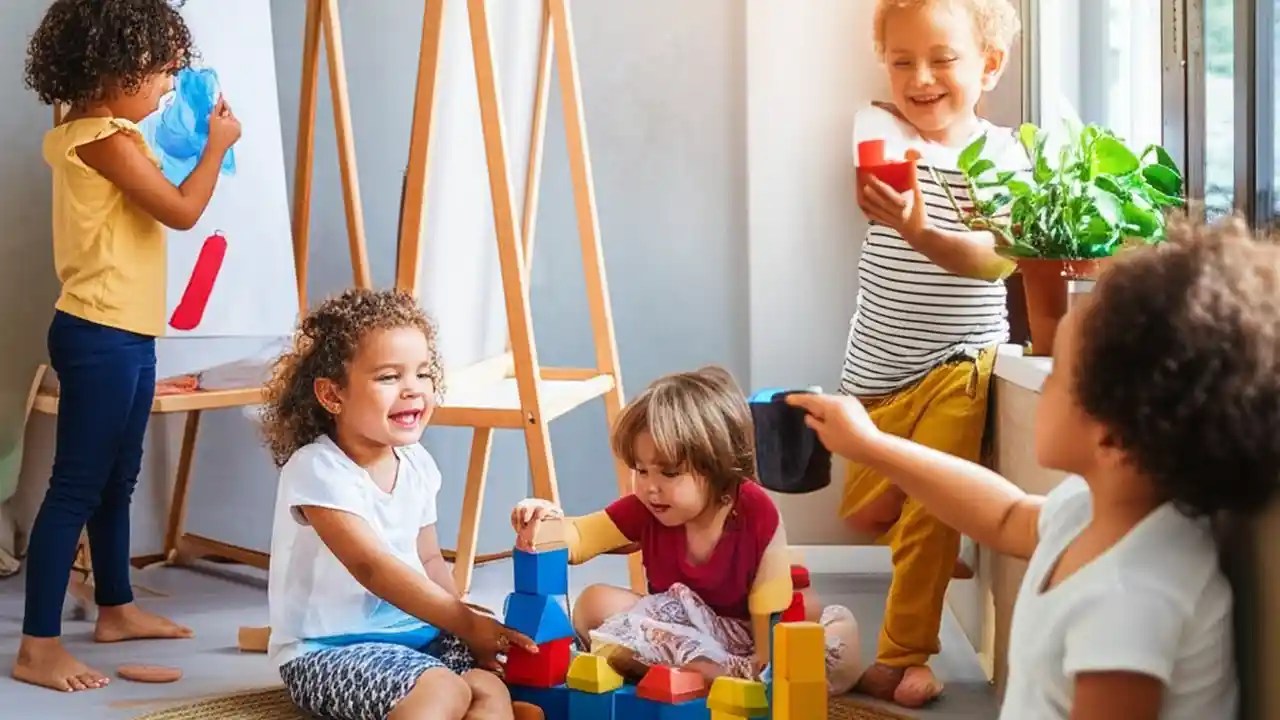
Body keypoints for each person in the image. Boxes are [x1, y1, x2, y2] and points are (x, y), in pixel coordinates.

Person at [791, 217, 1280, 719]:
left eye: (1058, 378)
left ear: (1111, 437)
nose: (1044, 388)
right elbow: (1004, 515)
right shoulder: (1100, 512)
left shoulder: (1131, 600)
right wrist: (872, 446)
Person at [15, 0, 241, 693]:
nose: (166, 88)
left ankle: (115, 608)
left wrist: (188, 128)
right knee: (77, 489)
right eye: (158, 75)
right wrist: (216, 147)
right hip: (101, 332)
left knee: (117, 481)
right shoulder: (105, 138)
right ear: (112, 70)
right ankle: (37, 647)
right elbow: (180, 211)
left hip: (123, 330)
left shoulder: (94, 129)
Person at [839, 0, 1027, 705]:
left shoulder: (1006, 156)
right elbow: (875, 177)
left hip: (962, 361)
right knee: (865, 508)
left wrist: (925, 234)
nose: (920, 78)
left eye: (943, 59)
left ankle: (902, 656)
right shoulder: (878, 123)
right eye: (901, 60)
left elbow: (997, 262)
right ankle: (948, 540)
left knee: (927, 503)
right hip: (875, 368)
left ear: (991, 65)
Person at [259, 289, 535, 720]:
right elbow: (372, 568)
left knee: (487, 687)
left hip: (418, 639)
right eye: (389, 377)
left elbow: (427, 556)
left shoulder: (418, 465)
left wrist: (460, 622)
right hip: (328, 650)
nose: (412, 390)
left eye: (423, 374)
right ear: (332, 396)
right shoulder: (317, 469)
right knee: (442, 691)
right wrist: (465, 623)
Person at [511, 367, 863, 692]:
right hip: (685, 634)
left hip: (755, 635)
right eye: (641, 470)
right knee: (594, 602)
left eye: (668, 473)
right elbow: (584, 536)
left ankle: (722, 674)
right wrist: (548, 520)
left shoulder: (754, 509)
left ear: (717, 468)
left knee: (835, 635)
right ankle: (700, 672)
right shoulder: (646, 508)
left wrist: (765, 659)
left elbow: (769, 598)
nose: (650, 487)